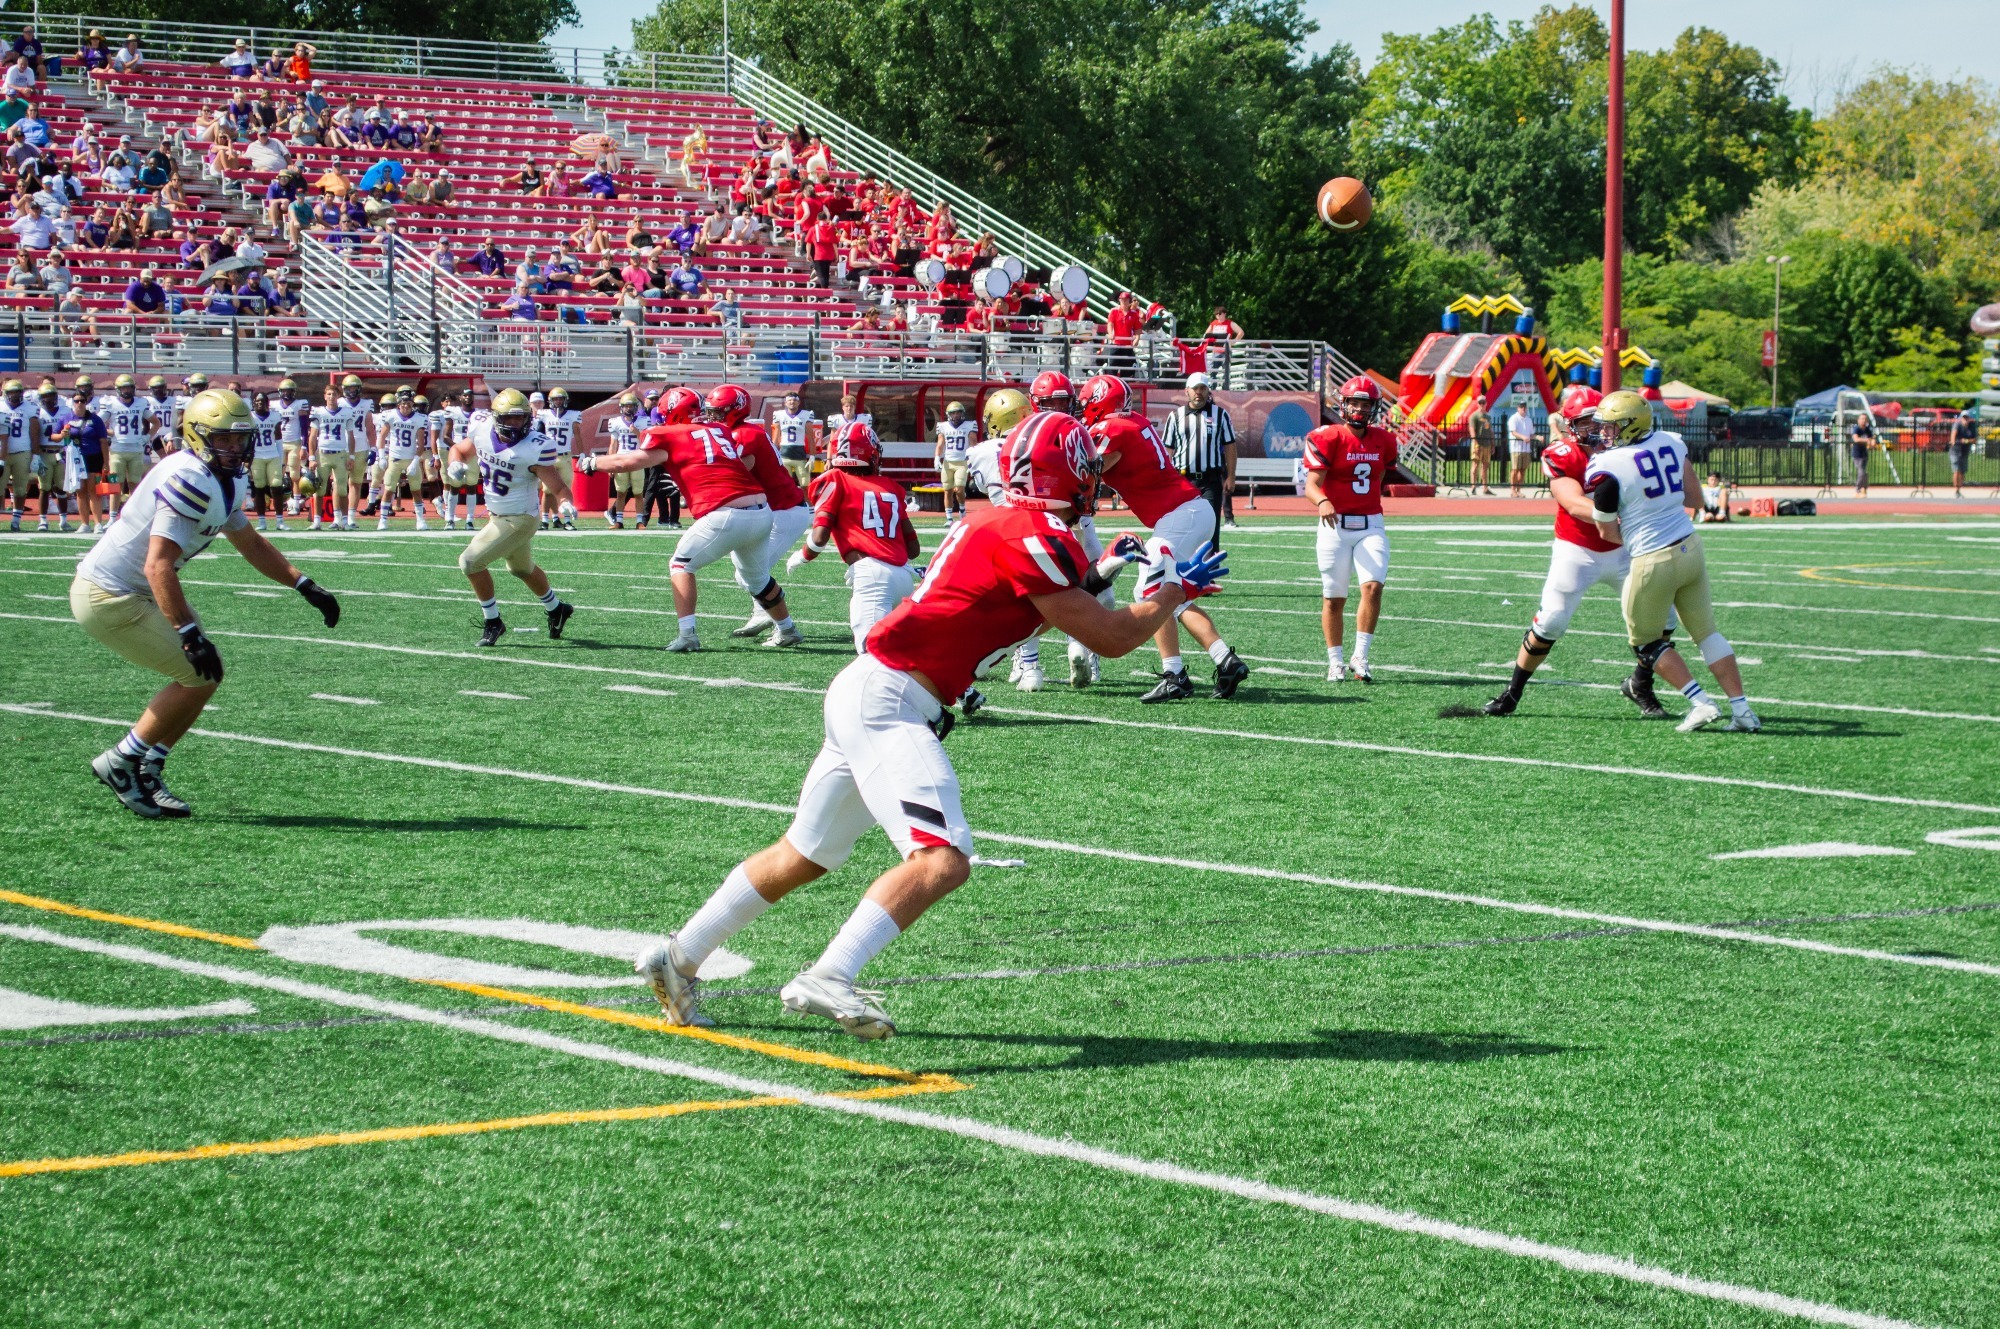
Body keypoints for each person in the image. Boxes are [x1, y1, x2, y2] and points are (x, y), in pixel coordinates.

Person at [627, 407, 1226, 1040]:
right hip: (893, 698)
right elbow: (1109, 637)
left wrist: (1105, 573)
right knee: (943, 858)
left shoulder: (999, 521)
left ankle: (679, 956)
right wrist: (1172, 591)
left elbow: (1038, 612)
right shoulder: (1032, 531)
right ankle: (831, 972)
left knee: (806, 853)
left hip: (870, 689)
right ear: (1074, 468)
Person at [74, 390, 341, 818]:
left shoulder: (224, 476)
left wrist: (303, 584)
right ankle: (122, 763)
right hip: (110, 595)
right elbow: (157, 565)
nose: (236, 448)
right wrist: (187, 632)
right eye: (225, 439)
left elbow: (247, 540)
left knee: (207, 673)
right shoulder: (190, 477)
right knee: (197, 670)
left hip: (134, 591)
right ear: (198, 436)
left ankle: (149, 765)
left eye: (240, 439)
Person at [1482, 386, 1672, 719]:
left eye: (1601, 422)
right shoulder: (1564, 454)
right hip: (1578, 550)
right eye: (1586, 423)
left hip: (1624, 549)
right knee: (1551, 621)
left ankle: (1641, 682)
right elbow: (1572, 502)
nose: (1597, 430)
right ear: (1571, 426)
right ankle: (1512, 693)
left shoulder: (1629, 450)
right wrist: (1626, 515)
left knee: (1664, 619)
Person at [1584, 390, 1759, 733]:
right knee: (1707, 634)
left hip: (1652, 558)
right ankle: (1743, 711)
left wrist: (1638, 537)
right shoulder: (1672, 442)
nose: (1605, 433)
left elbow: (1606, 531)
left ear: (1630, 426)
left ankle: (1701, 703)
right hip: (1690, 547)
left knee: (1646, 641)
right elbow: (1694, 497)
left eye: (1612, 427)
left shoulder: (1607, 467)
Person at [577, 385, 800, 653]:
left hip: (726, 514)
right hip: (761, 511)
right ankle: (787, 629)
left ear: (674, 413)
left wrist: (592, 463)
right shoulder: (721, 431)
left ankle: (688, 635)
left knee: (681, 565)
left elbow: (629, 462)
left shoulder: (670, 433)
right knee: (757, 579)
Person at [439, 390, 575, 647]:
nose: (516, 424)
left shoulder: (536, 446)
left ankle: (493, 621)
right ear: (497, 417)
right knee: (521, 568)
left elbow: (557, 486)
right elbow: (458, 449)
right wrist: (454, 462)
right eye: (510, 418)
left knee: (470, 562)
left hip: (521, 518)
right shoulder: (481, 429)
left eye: (520, 418)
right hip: (498, 514)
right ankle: (556, 608)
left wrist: (566, 501)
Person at [787, 422, 921, 651]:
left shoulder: (835, 479)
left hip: (871, 574)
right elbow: (914, 549)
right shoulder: (891, 487)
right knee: (900, 654)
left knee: (872, 654)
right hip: (904, 578)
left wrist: (802, 555)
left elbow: (820, 537)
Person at [1303, 376, 1395, 683]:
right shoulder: (1328, 436)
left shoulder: (1384, 440)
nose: (1358, 408)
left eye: (1365, 403)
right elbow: (1311, 485)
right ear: (1343, 405)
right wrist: (1323, 501)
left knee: (1373, 586)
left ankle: (1361, 656)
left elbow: (1378, 477)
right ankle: (1335, 662)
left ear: (1373, 408)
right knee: (1334, 598)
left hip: (1371, 524)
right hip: (1334, 526)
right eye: (1354, 402)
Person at [712, 384, 813, 646]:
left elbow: (736, 474)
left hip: (785, 511)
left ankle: (782, 625)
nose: (712, 417)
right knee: (747, 570)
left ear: (733, 411)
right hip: (771, 510)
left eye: (718, 412)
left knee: (751, 573)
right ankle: (763, 614)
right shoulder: (742, 432)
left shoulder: (744, 435)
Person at [1160, 372, 1236, 548]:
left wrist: (1231, 476)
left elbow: (1230, 446)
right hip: (1183, 481)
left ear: (1208, 391)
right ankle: (1181, 571)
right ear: (1187, 391)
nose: (1198, 392)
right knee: (1183, 527)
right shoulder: (1176, 416)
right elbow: (1167, 450)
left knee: (1211, 529)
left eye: (1202, 388)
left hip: (1210, 481)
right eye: (1195, 388)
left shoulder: (1220, 415)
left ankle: (1208, 573)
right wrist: (1166, 480)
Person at [307, 376, 368, 530]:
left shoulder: (346, 412)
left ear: (338, 397)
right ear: (324, 396)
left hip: (340, 453)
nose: (331, 397)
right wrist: (312, 457)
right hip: (323, 454)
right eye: (329, 394)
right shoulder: (319, 412)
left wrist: (352, 456)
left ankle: (344, 520)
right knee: (320, 489)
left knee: (341, 488)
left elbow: (350, 436)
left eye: (334, 394)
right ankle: (317, 520)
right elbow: (312, 436)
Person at [96, 373, 160, 522]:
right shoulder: (110, 403)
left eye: (129, 387)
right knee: (115, 485)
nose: (127, 391)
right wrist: (112, 433)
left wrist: (146, 437)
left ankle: (133, 517)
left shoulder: (141, 403)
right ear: (118, 389)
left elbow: (156, 422)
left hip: (136, 450)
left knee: (134, 483)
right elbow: (97, 423)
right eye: (124, 388)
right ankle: (112, 518)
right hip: (117, 450)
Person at [374, 386, 434, 531]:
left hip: (410, 458)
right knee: (388, 489)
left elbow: (421, 443)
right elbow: (382, 436)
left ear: (412, 404)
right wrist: (382, 455)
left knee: (416, 490)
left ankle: (420, 520)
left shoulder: (419, 418)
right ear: (398, 404)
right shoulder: (390, 415)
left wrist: (415, 462)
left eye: (408, 404)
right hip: (394, 458)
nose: (405, 407)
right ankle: (382, 520)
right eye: (403, 404)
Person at [535, 387, 581, 531]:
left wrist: (582, 454)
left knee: (567, 488)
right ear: (550, 400)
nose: (558, 401)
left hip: (565, 455)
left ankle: (567, 521)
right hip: (549, 456)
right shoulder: (544, 415)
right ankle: (544, 520)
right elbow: (537, 435)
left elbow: (578, 435)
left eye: (561, 398)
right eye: (556, 399)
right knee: (547, 490)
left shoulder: (573, 415)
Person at [600, 393, 649, 530]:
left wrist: (637, 432)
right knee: (621, 492)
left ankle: (640, 521)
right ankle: (619, 520)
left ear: (636, 407)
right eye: (626, 406)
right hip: (621, 459)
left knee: (638, 493)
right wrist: (611, 464)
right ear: (622, 407)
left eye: (631, 406)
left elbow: (648, 441)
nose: (629, 409)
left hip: (637, 458)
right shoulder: (615, 422)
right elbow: (613, 445)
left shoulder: (644, 421)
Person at [0, 378, 39, 532]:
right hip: (2, 454)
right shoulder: (1, 405)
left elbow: (34, 432)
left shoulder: (30, 408)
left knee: (21, 489)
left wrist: (35, 455)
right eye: (12, 392)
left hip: (23, 451)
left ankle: (16, 520)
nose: (15, 395)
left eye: (17, 392)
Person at [933, 399, 977, 522]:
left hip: (962, 462)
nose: (956, 415)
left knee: (959, 489)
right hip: (948, 462)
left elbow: (973, 443)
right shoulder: (943, 426)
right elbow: (940, 444)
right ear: (949, 415)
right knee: (947, 491)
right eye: (953, 413)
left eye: (958, 413)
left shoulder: (969, 425)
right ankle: (949, 518)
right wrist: (937, 458)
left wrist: (973, 459)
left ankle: (962, 509)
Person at [770, 390, 819, 487]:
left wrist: (812, 456)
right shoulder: (779, 414)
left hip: (800, 454)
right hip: (784, 453)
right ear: (785, 402)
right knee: (785, 485)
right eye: (790, 400)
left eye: (794, 400)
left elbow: (810, 437)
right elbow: (776, 437)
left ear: (799, 402)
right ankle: (788, 502)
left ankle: (807, 503)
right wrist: (773, 455)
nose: (792, 402)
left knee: (805, 484)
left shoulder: (806, 414)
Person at [1466, 404, 1497, 494]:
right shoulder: (1474, 416)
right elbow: (1472, 429)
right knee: (1475, 465)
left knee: (1485, 466)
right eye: (1480, 402)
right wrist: (1475, 443)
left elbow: (1490, 431)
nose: (1482, 404)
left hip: (1486, 444)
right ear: (1478, 404)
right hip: (1478, 444)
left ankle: (1485, 488)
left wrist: (1493, 444)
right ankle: (1473, 486)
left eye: (1484, 402)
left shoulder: (1488, 417)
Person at [1947, 410, 1977, 497]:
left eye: (1967, 417)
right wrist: (1953, 443)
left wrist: (1966, 440)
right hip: (1955, 451)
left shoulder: (1971, 426)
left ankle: (1959, 488)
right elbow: (1953, 435)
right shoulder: (1957, 425)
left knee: (1962, 473)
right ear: (1961, 418)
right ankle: (1956, 490)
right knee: (1956, 470)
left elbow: (1975, 440)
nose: (1965, 419)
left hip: (1964, 452)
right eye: (1964, 417)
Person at [1850, 408, 1873, 495]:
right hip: (1857, 454)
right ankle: (1858, 488)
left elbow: (1871, 438)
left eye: (1865, 419)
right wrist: (1866, 440)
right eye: (1862, 419)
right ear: (1858, 420)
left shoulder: (1867, 429)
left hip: (1864, 454)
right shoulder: (1856, 429)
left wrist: (1872, 442)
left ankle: (1864, 488)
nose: (1864, 421)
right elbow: (1855, 439)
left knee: (1864, 472)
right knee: (1861, 472)